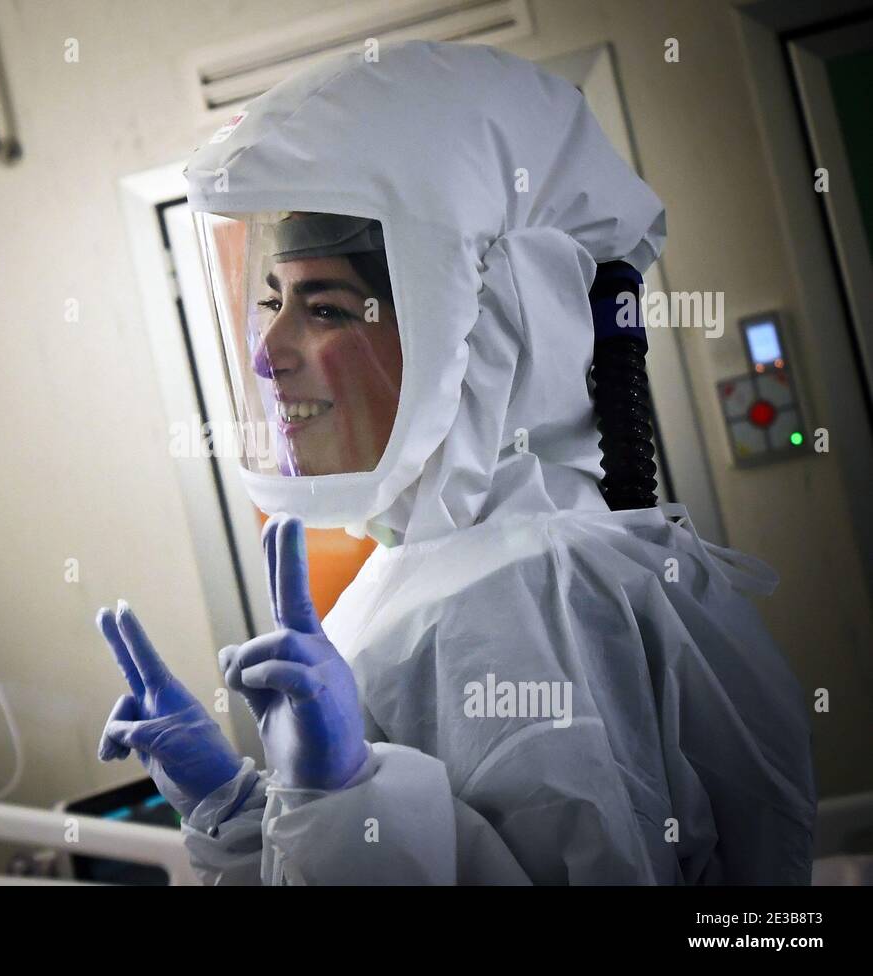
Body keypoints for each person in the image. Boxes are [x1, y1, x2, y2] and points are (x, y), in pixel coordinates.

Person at [95, 40, 815, 884]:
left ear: (482, 335)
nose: (267, 352)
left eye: (324, 308)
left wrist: (340, 800)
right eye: (270, 302)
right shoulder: (462, 569)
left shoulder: (513, 600)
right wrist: (245, 818)